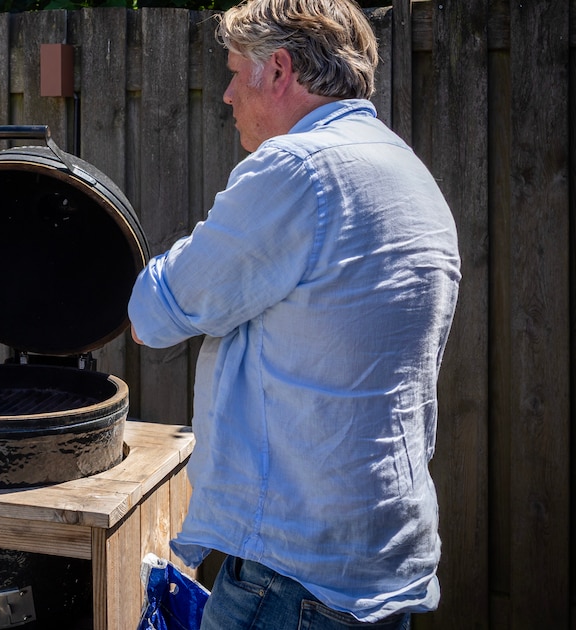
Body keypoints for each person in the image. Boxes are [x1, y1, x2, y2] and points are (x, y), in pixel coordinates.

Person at [127, 0, 461, 628]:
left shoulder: (296, 170)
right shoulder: (409, 173)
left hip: (291, 583)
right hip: (381, 566)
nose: (227, 95)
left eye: (234, 71)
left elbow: (155, 313)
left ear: (278, 70)